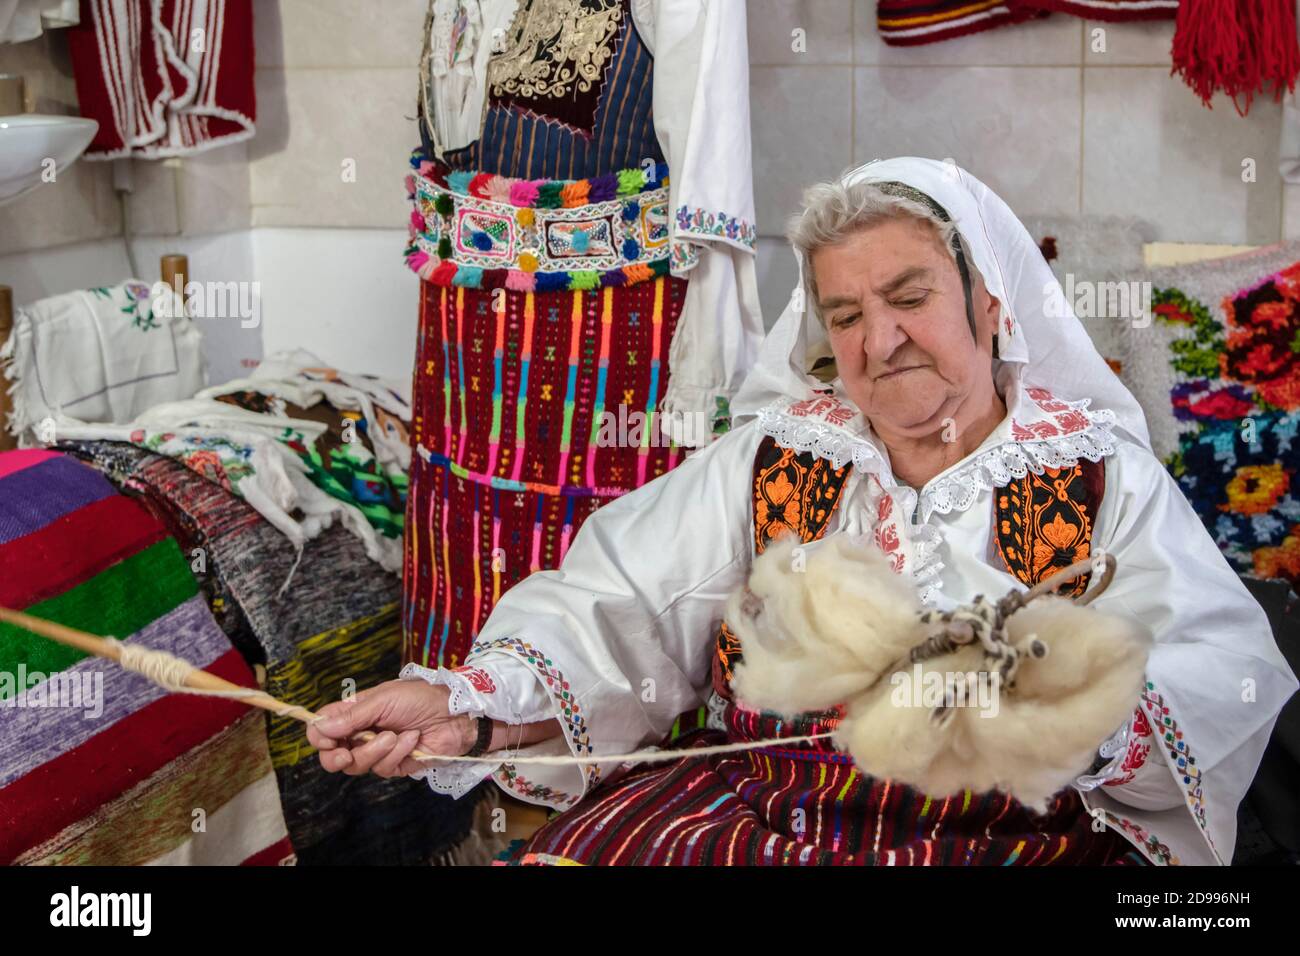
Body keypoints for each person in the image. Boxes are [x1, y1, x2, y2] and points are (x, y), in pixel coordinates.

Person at [310, 157, 1298, 865]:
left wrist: (1071, 717)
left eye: (910, 295)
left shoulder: (1092, 475)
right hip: (759, 816)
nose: (882, 340)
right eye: (847, 313)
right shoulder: (781, 459)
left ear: (991, 302)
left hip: (1008, 839)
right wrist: (472, 710)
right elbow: (616, 606)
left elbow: (1220, 671)